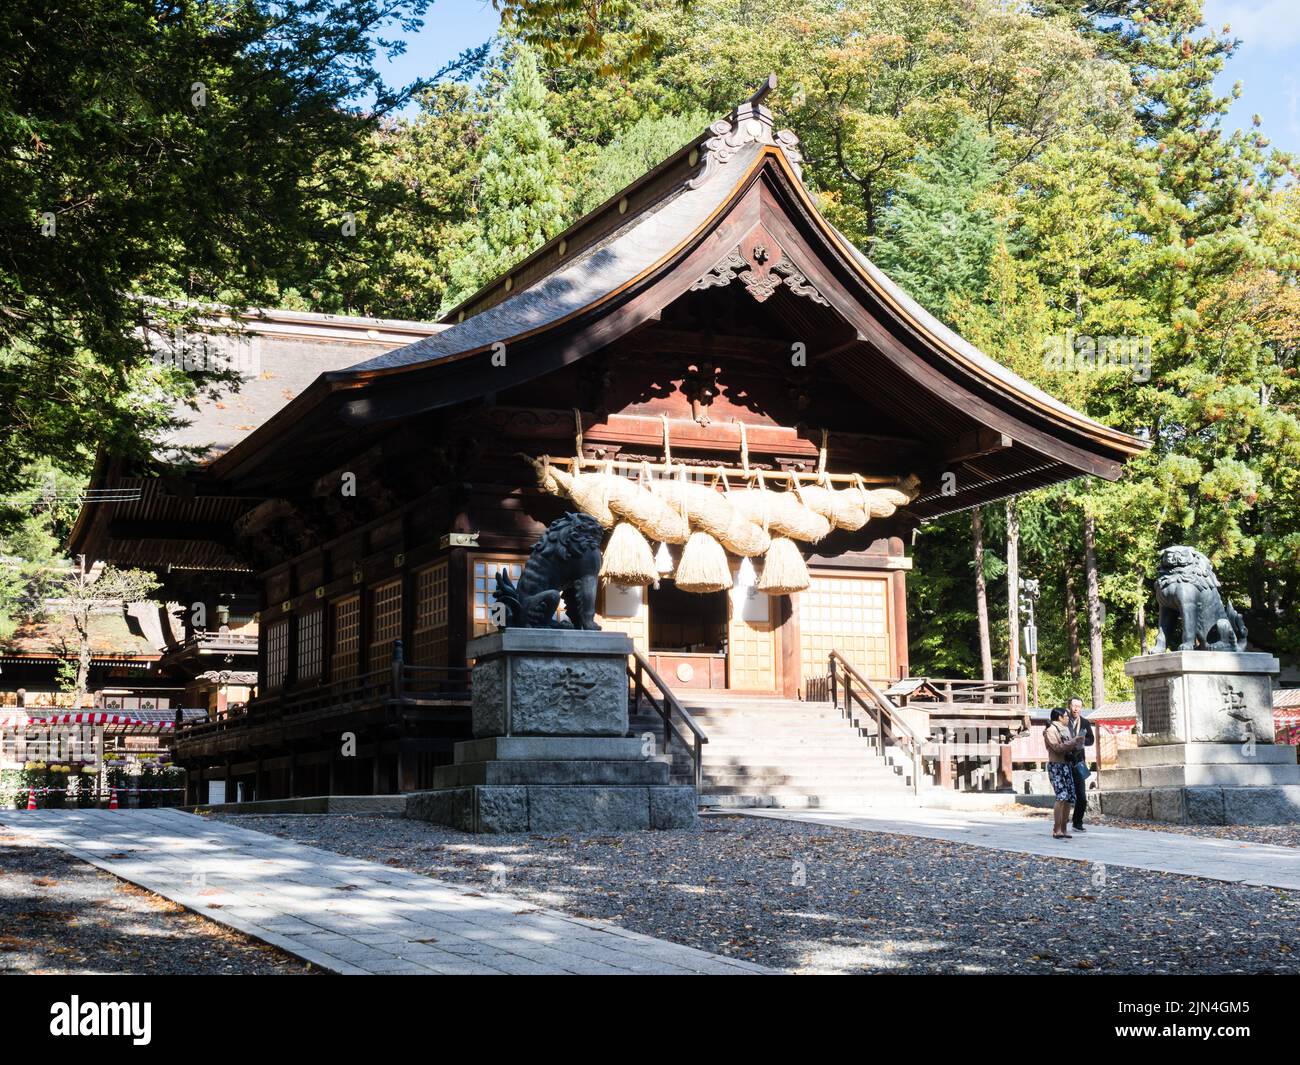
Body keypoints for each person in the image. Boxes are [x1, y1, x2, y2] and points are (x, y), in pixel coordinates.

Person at [1044, 708, 1086, 839]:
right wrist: (1074, 741)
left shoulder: (1066, 729)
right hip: (1056, 766)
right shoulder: (1050, 731)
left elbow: (1068, 746)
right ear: (1059, 717)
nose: (1068, 718)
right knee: (1061, 796)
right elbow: (1057, 748)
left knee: (1069, 797)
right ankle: (1056, 829)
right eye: (1066, 716)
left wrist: (1078, 743)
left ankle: (1064, 828)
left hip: (1067, 765)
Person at [1065, 696, 1096, 832]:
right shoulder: (1064, 720)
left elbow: (1091, 739)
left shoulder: (1084, 722)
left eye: (1078, 706)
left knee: (1081, 796)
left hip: (1079, 762)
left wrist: (1082, 741)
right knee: (1064, 796)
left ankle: (1077, 822)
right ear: (1069, 706)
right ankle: (1061, 823)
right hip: (1065, 761)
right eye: (1074, 706)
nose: (1076, 708)